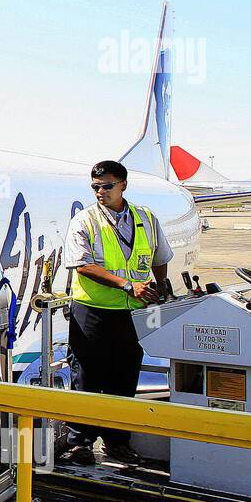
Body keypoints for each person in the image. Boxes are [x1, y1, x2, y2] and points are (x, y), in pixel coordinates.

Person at [60, 160, 172, 465]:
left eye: (106, 186)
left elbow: (160, 255)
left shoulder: (146, 219)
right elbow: (82, 264)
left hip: (131, 313)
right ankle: (79, 442)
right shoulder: (84, 221)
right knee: (86, 376)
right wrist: (127, 285)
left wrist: (160, 285)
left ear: (123, 184)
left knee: (124, 378)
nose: (100, 192)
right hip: (92, 312)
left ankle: (117, 441)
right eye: (95, 187)